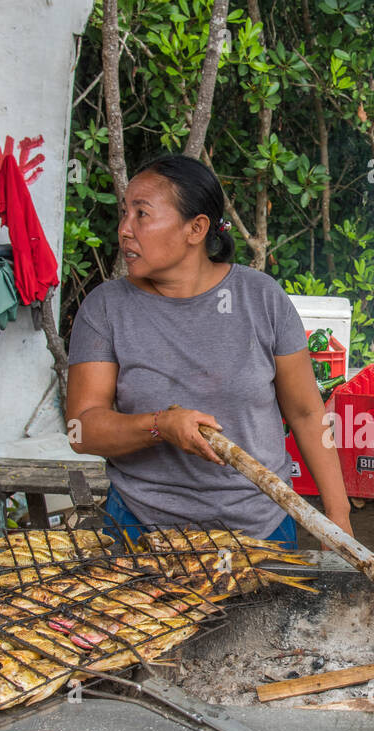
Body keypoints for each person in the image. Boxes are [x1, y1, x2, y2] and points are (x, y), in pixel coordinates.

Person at [65, 154, 351, 546]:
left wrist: (337, 516)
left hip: (260, 529)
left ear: (196, 228)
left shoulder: (261, 298)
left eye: (142, 214)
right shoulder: (106, 308)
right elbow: (82, 429)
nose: (124, 229)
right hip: (140, 529)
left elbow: (305, 412)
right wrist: (159, 426)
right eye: (124, 213)